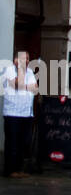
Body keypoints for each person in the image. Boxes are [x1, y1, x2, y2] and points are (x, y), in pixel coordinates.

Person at [3, 50, 38, 178]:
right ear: (15, 60)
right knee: (12, 142)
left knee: (24, 142)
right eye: (23, 58)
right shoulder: (10, 70)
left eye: (28, 58)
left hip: (26, 113)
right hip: (12, 113)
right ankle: (10, 170)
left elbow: (35, 88)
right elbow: (16, 84)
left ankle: (19, 169)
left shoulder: (30, 72)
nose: (26, 61)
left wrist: (27, 86)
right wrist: (27, 85)